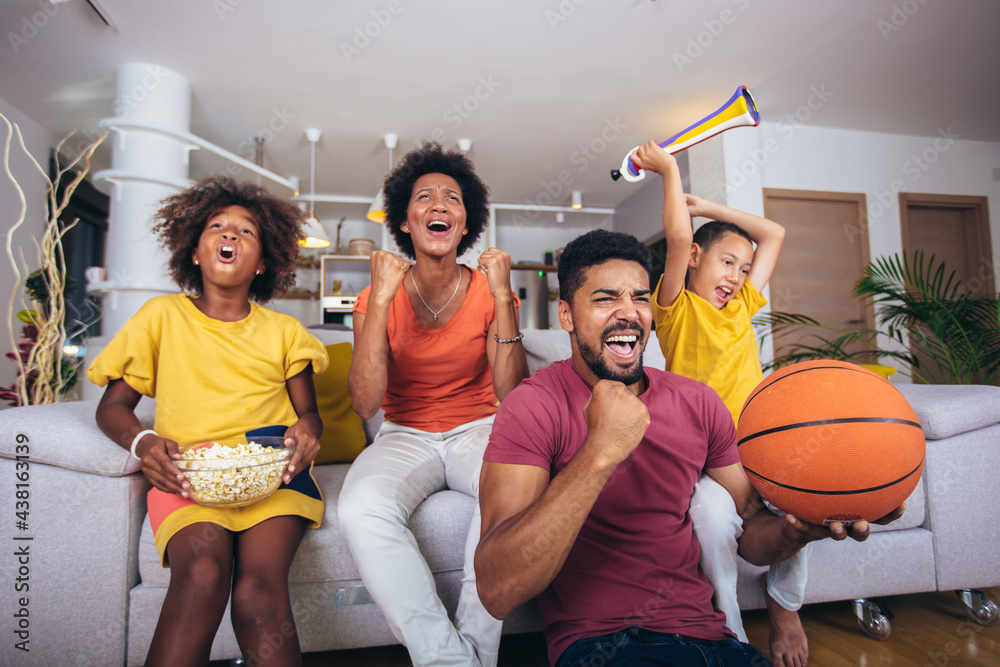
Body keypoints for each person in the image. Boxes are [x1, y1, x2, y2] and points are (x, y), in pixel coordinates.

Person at [475, 229, 900, 667]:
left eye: (640, 298)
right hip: (602, 647)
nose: (629, 314)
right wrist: (600, 452)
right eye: (605, 300)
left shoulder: (697, 402)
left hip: (711, 640)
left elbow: (751, 537)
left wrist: (800, 530)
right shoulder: (532, 404)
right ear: (566, 315)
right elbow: (497, 590)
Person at [89, 175, 329, 666]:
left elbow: (309, 415)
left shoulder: (285, 331)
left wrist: (307, 432)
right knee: (200, 577)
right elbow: (112, 408)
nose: (230, 235)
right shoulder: (160, 317)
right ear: (195, 252)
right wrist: (143, 442)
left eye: (246, 231)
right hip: (187, 477)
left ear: (262, 262)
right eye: (217, 226)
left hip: (274, 475)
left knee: (257, 595)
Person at [338, 142, 529, 667]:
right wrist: (378, 299)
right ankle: (445, 658)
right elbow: (364, 401)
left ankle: (474, 651)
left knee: (514, 487)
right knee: (358, 507)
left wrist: (503, 296)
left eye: (453, 198)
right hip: (404, 432)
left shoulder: (493, 293)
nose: (440, 204)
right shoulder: (377, 297)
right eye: (425, 197)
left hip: (481, 426)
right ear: (406, 219)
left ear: (467, 223)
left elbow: (514, 395)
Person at [631, 140, 807, 667]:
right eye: (726, 261)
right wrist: (667, 175)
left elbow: (774, 234)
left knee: (805, 496)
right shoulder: (675, 307)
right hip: (706, 453)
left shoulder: (743, 307)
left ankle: (784, 608)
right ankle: (728, 629)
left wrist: (709, 207)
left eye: (743, 266)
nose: (735, 275)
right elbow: (678, 237)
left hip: (758, 440)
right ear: (696, 259)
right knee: (709, 517)